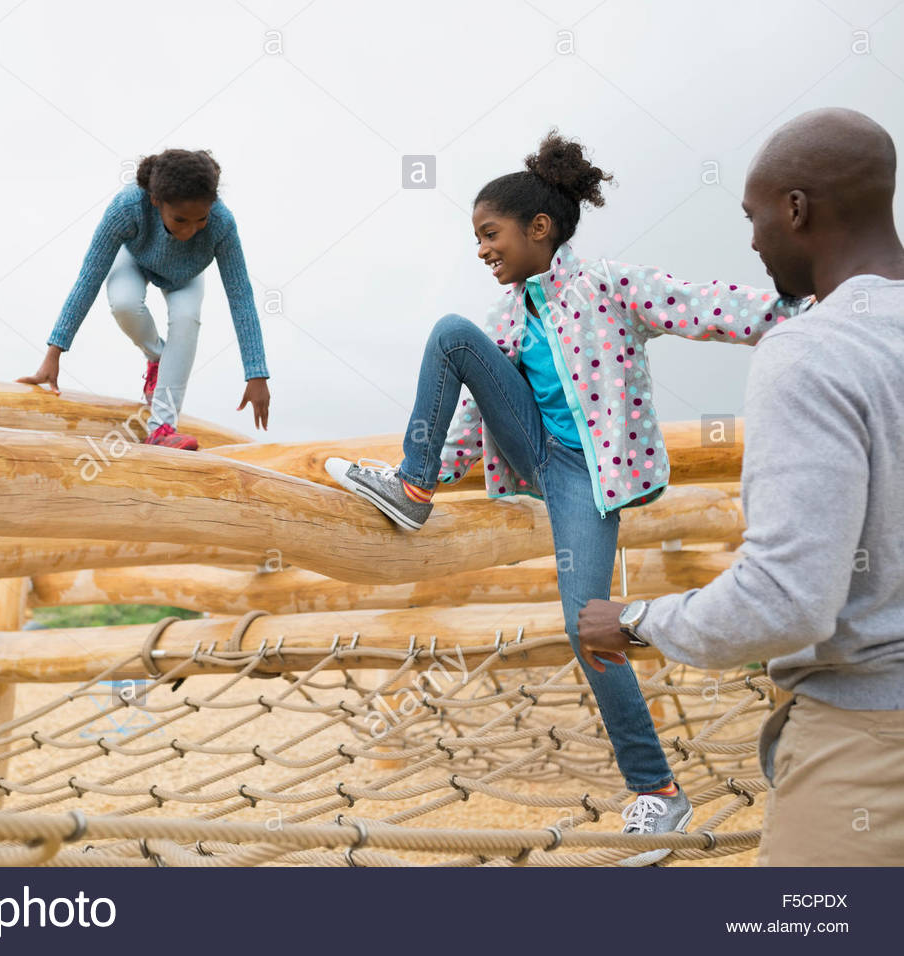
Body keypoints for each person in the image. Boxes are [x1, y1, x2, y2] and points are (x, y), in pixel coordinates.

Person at [326, 130, 809, 864]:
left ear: (539, 228)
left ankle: (658, 793)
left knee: (591, 626)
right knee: (452, 333)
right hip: (537, 455)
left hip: (592, 476)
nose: (483, 250)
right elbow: (475, 410)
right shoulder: (508, 317)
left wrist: (802, 312)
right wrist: (438, 469)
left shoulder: (606, 287)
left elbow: (695, 303)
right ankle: (411, 487)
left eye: (490, 235)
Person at [578, 107, 904, 866]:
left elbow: (788, 600)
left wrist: (635, 620)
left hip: (870, 746)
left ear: (796, 210)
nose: (752, 240)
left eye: (754, 216)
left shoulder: (814, 352)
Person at [19, 148, 270, 449]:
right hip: (136, 258)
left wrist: (256, 374)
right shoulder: (128, 207)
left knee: (186, 320)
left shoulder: (222, 224)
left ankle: (162, 428)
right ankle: (158, 359)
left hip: (186, 276)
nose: (191, 230)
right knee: (124, 303)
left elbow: (241, 296)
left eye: (200, 219)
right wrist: (54, 352)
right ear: (155, 201)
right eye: (180, 220)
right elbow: (89, 278)